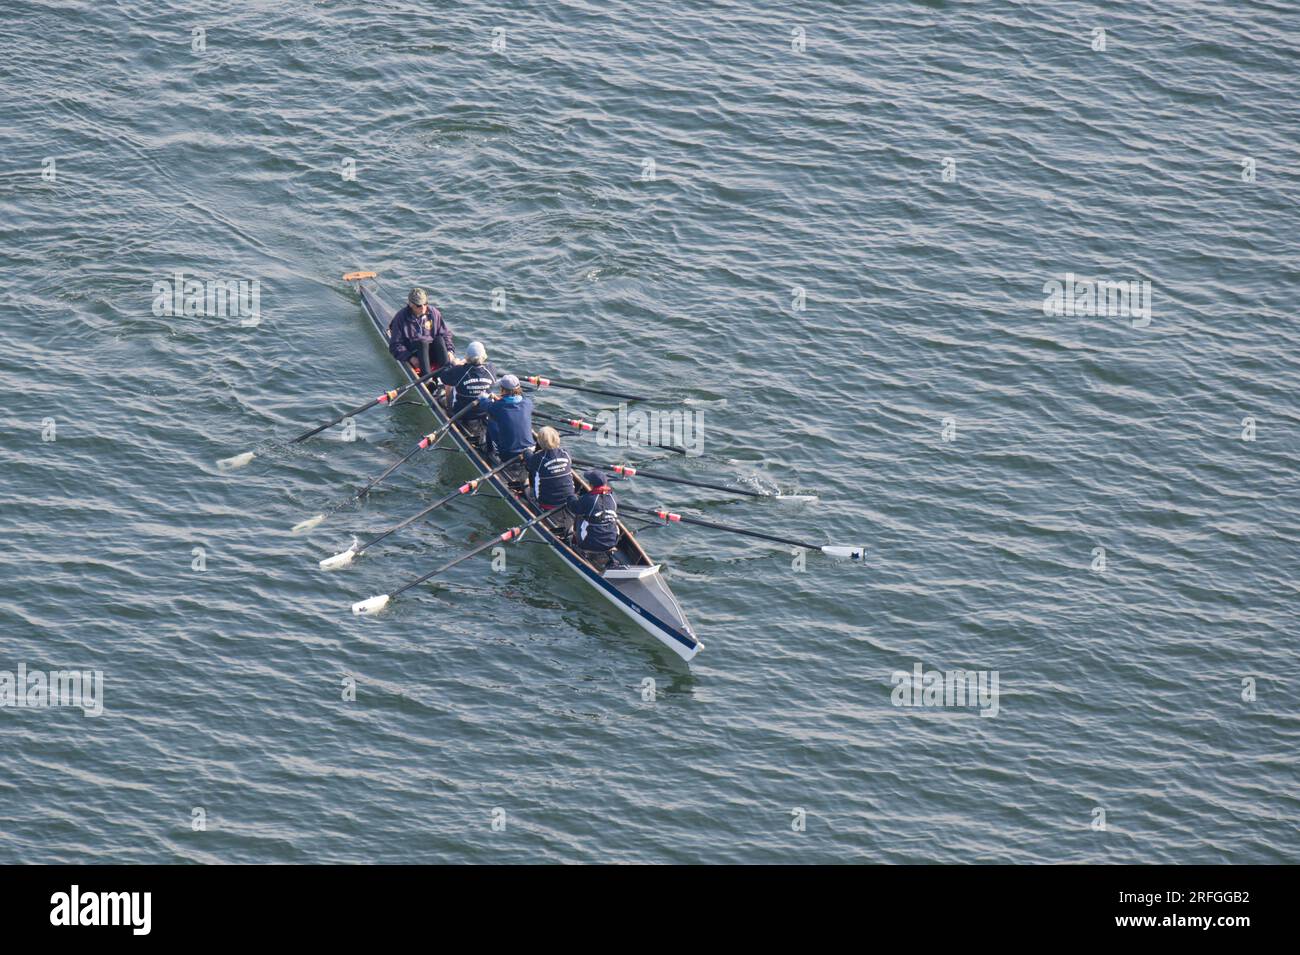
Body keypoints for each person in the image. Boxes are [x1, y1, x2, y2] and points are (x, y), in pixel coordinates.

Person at [475, 374, 534, 489]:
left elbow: (484, 405)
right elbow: (513, 404)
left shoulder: (498, 407)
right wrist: (499, 399)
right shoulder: (528, 403)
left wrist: (483, 397)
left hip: (508, 454)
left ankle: (488, 451)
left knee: (491, 422)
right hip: (530, 451)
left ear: (502, 389)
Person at [437, 341, 497, 450]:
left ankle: (447, 409)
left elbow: (443, 377)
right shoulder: (491, 368)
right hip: (484, 412)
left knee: (445, 391)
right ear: (484, 356)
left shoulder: (460, 371)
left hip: (462, 413)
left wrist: (453, 364)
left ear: (467, 357)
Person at [388, 287, 454, 376]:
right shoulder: (400, 318)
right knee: (423, 343)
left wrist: (450, 351)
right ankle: (427, 379)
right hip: (416, 356)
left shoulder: (434, 313)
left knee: (439, 339)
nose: (423, 307)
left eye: (425, 303)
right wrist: (410, 358)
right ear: (410, 304)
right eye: (419, 305)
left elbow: (445, 333)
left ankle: (446, 375)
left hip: (432, 353)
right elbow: (395, 345)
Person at [567, 469, 623, 571]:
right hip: (612, 542)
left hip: (589, 544)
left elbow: (573, 507)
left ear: (591, 484)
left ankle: (575, 541)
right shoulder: (613, 497)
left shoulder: (588, 499)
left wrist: (571, 496)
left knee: (579, 515)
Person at [525, 427, 575, 537]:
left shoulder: (537, 458)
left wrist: (528, 450)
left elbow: (528, 459)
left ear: (540, 442)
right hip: (570, 500)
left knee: (527, 488)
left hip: (547, 502)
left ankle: (534, 503)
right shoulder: (566, 453)